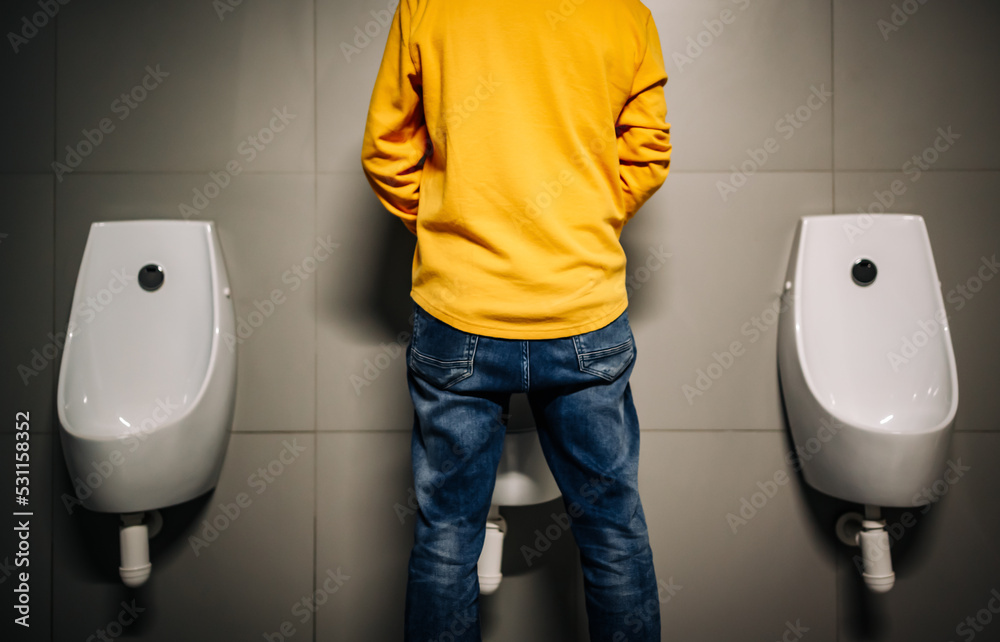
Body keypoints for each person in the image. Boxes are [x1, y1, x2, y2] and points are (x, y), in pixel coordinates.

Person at [361, 0, 671, 639]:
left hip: (460, 310)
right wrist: (580, 221)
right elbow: (647, 154)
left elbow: (386, 151)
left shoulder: (429, 7)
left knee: (447, 536)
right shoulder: (625, 14)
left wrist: (454, 229)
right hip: (582, 310)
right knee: (613, 532)